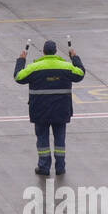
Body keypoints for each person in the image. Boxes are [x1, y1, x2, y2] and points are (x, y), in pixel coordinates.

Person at [14, 39, 85, 177]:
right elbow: (80, 73)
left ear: (44, 52)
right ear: (56, 52)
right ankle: (60, 167)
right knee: (60, 140)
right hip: (61, 111)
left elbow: (18, 77)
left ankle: (44, 167)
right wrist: (74, 57)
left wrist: (21, 60)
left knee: (42, 140)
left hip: (40, 111)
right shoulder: (66, 67)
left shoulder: (34, 68)